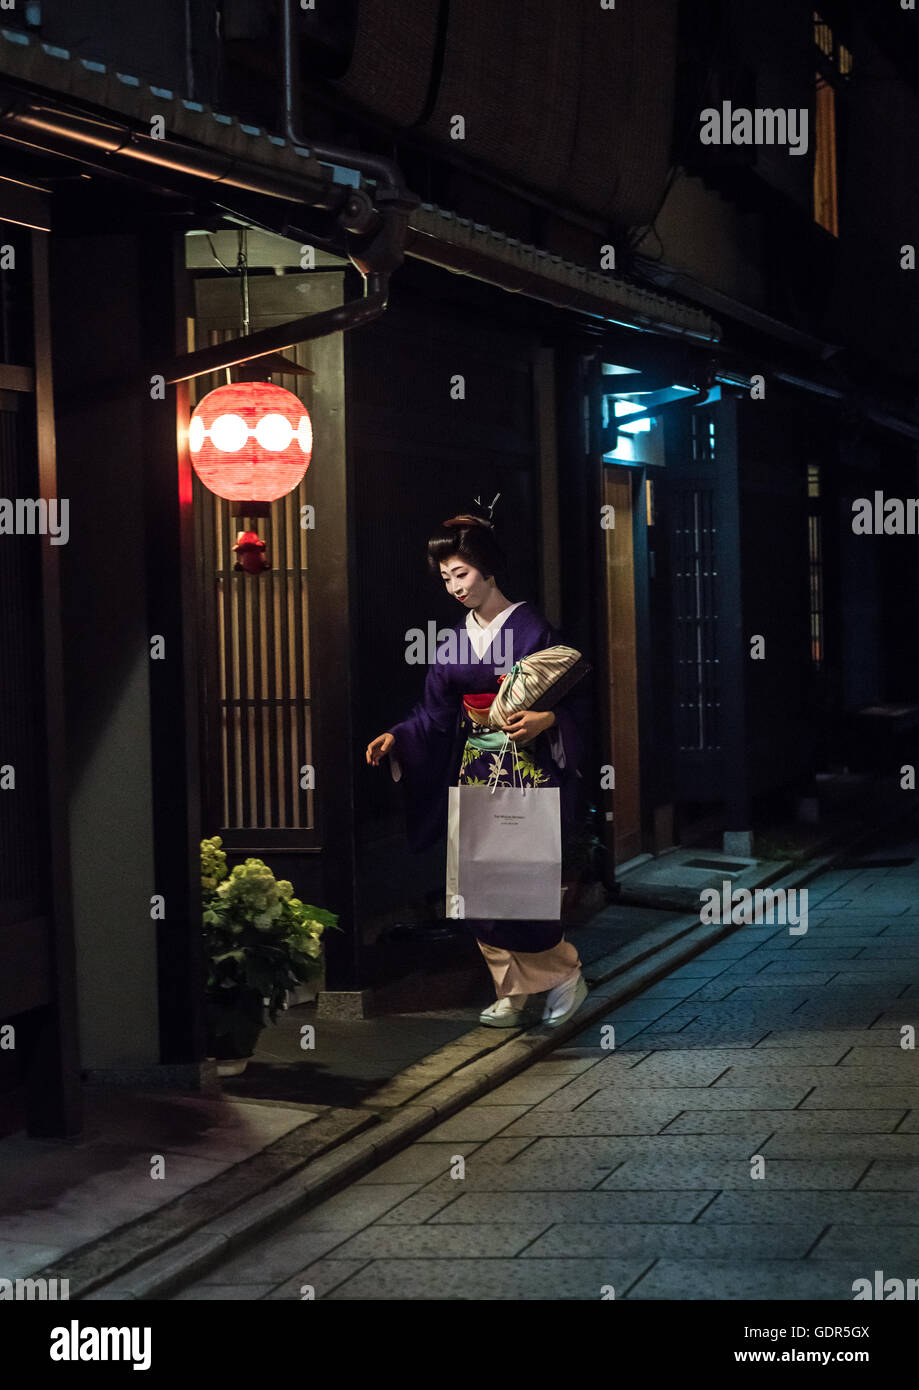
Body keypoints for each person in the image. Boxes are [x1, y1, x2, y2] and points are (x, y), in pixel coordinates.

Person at [366, 511, 590, 1029]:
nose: (454, 587)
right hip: (476, 765)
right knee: (476, 889)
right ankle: (511, 991)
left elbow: (578, 701)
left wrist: (547, 719)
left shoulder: (534, 629)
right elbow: (435, 716)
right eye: (446, 578)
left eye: (461, 573)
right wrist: (399, 736)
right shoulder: (452, 641)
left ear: (488, 568)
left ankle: (565, 975)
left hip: (525, 769)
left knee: (519, 887)